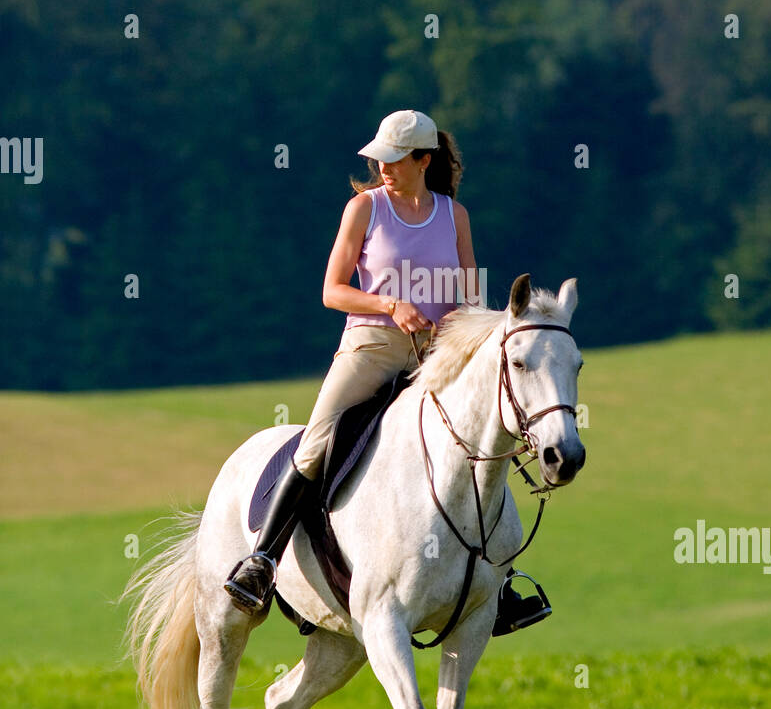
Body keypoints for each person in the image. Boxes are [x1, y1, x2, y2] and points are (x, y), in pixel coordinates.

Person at [224, 109, 551, 634]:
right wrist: (391, 304)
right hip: (371, 347)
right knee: (315, 443)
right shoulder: (365, 208)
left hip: (438, 354)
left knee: (485, 441)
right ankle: (262, 561)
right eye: (379, 159)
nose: (383, 168)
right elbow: (333, 291)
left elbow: (470, 298)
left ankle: (499, 580)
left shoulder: (454, 216)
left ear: (424, 160)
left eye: (394, 160)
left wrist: (469, 333)